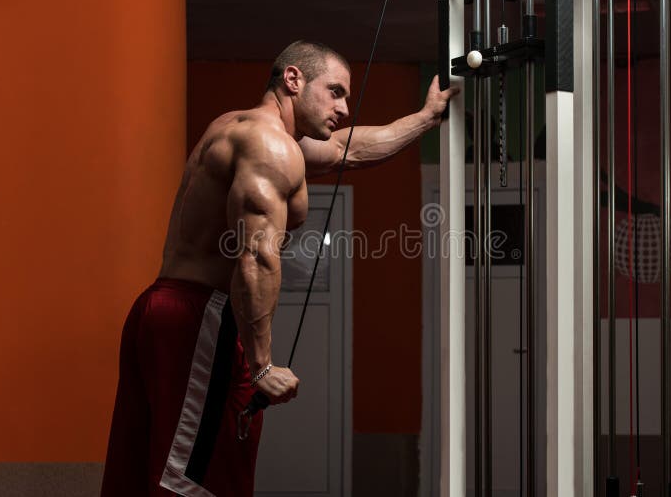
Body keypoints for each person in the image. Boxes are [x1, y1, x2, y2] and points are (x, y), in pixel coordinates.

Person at [101, 40, 459, 496]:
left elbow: (355, 149)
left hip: (160, 309)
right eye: (335, 91)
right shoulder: (271, 146)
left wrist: (426, 118)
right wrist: (263, 363)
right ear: (293, 79)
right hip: (199, 317)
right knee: (196, 480)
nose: (345, 107)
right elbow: (257, 255)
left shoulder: (241, 129)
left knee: (144, 471)